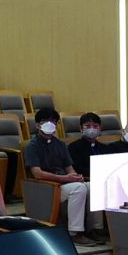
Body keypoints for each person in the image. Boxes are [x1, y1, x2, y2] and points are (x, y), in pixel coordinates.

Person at [23, 105, 99, 247]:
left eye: (54, 121)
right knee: (78, 188)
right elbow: (37, 173)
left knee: (92, 186)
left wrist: (75, 177)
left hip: (63, 184)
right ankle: (74, 232)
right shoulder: (32, 146)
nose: (50, 124)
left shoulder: (60, 145)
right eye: (46, 121)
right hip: (46, 187)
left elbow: (69, 169)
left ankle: (92, 228)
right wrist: (66, 179)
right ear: (38, 124)